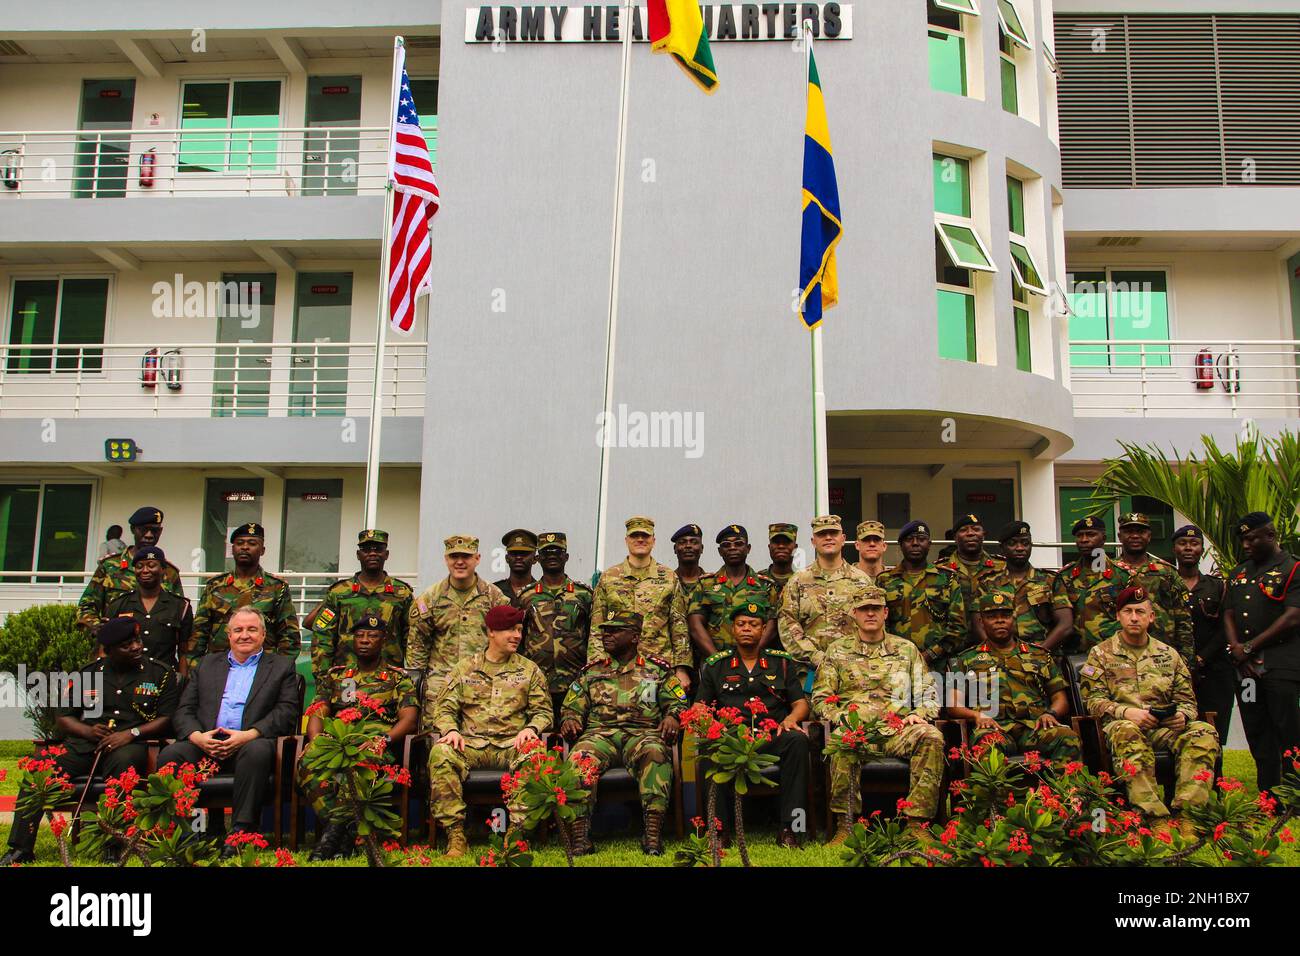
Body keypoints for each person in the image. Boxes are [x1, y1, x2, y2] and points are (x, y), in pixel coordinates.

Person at [1, 618, 178, 865]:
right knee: (38, 768)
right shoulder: (89, 674)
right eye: (127, 645)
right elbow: (64, 718)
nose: (137, 647)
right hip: (87, 744)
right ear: (110, 650)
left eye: (137, 640)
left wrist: (132, 734)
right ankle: (20, 848)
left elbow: (167, 718)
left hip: (130, 744)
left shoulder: (160, 674)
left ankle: (112, 845)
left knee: (123, 765)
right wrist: (87, 731)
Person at [159, 606, 301, 857]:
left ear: (263, 634)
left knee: (257, 751)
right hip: (206, 743)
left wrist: (249, 734)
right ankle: (187, 835)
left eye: (251, 629)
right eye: (238, 630)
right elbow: (184, 711)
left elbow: (286, 712)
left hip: (250, 743)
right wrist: (198, 737)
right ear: (228, 635)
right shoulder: (206, 665)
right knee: (172, 754)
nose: (244, 635)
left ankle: (239, 833)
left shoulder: (281, 666)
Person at [1078, 586, 1219, 835]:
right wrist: (1125, 712)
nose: (1134, 617)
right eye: (1128, 611)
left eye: (1140, 612)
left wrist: (1183, 715)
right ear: (1119, 617)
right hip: (1122, 727)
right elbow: (1093, 700)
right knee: (1127, 731)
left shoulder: (1169, 655)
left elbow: (1188, 700)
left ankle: (1189, 814)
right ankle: (1153, 816)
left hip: (1164, 728)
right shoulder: (1100, 654)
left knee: (1203, 732)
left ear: (1151, 617)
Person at [812, 584, 944, 844]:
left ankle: (917, 823)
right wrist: (841, 719)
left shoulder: (906, 650)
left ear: (885, 613)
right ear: (854, 614)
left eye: (875, 609)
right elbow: (820, 698)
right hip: (857, 731)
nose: (869, 614)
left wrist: (919, 714)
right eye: (864, 609)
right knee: (841, 742)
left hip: (899, 731)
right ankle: (846, 825)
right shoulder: (837, 651)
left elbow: (928, 693)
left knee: (931, 737)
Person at [426, 604, 551, 858]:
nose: (517, 635)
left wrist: (531, 728)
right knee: (440, 753)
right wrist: (450, 730)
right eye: (509, 630)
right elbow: (443, 708)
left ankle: (516, 833)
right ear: (491, 632)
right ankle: (455, 834)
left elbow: (544, 712)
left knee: (536, 752)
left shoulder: (529, 670)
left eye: (519, 630)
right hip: (470, 745)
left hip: (511, 745)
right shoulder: (465, 668)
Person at [560, 611, 685, 856]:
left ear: (635, 637)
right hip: (600, 736)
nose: (607, 635)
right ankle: (579, 837)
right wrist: (570, 719)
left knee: (655, 753)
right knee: (579, 759)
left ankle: (652, 834)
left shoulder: (657, 671)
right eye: (605, 630)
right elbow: (571, 706)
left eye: (615, 631)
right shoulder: (592, 672)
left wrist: (673, 716)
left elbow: (678, 703)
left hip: (643, 735)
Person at [300, 614, 419, 861]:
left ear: (383, 641)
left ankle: (331, 839)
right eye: (360, 636)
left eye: (372, 636)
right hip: (338, 742)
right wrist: (315, 740)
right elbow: (318, 710)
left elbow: (408, 719)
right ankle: (344, 831)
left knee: (355, 764)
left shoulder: (398, 678)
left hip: (376, 745)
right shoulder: (337, 676)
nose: (365, 641)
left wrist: (382, 740)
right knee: (307, 760)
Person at [696, 601, 810, 848]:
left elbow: (801, 703)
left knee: (798, 741)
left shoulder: (781, 663)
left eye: (753, 624)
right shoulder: (716, 665)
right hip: (731, 740)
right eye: (741, 624)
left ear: (763, 629)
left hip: (771, 737)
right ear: (733, 629)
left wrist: (791, 719)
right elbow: (699, 708)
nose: (747, 628)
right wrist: (712, 727)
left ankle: (793, 829)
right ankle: (718, 831)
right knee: (707, 749)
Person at [947, 589, 1081, 761]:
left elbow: (1060, 699)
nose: (1000, 620)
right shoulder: (963, 660)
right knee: (987, 746)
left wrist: (1051, 713)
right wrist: (976, 715)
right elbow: (953, 705)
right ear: (981, 621)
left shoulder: (1040, 655)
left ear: (1014, 618)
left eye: (1005, 615)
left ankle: (1064, 788)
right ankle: (998, 789)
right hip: (993, 726)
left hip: (1036, 727)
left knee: (1067, 737)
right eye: (992, 616)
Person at [1223, 511, 1300, 793]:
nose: (1246, 545)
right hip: (1245, 671)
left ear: (1270, 535)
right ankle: (1268, 793)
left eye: (1252, 538)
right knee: (1256, 727)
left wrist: (1250, 647)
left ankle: (1293, 794)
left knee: (1287, 730)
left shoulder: (1293, 568)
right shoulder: (1239, 572)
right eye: (1243, 539)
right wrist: (1237, 652)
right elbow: (1229, 614)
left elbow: (1292, 617)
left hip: (1280, 665)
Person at [407, 534, 510, 729]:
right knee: (436, 742)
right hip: (440, 685)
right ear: (446, 559)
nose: (460, 562)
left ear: (477, 559)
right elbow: (417, 647)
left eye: (466, 556)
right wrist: (416, 689)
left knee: (479, 743)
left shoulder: (494, 598)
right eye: (454, 557)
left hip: (483, 683)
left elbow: (505, 644)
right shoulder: (429, 599)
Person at [589, 516, 692, 692]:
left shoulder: (668, 577)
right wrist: (595, 665)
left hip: (658, 667)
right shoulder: (609, 577)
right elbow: (597, 626)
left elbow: (679, 625)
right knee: (615, 716)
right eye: (634, 535)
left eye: (645, 536)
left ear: (654, 541)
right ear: (626, 540)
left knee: (651, 716)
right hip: (615, 668)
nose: (640, 540)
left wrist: (681, 668)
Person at [187, 523, 300, 669]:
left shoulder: (277, 587)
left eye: (252, 543)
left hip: (262, 669)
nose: (245, 547)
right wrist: (197, 668)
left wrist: (278, 670)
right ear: (232, 549)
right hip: (219, 666)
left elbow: (289, 635)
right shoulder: (215, 586)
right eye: (239, 543)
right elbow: (199, 632)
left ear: (262, 550)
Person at [310, 529, 414, 685]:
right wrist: (323, 676)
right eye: (366, 550)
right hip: (346, 676)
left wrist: (412, 674)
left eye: (378, 549)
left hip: (389, 678)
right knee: (347, 710)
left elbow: (412, 637)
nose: (372, 554)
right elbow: (323, 636)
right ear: (358, 555)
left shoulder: (402, 593)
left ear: (386, 554)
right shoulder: (339, 592)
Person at [517, 531, 594, 724]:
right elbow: (519, 638)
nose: (552, 556)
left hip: (575, 682)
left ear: (566, 557)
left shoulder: (583, 594)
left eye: (557, 552)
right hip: (537, 683)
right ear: (537, 558)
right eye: (546, 552)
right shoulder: (525, 596)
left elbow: (593, 637)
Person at [778, 515, 871, 674]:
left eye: (833, 533)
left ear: (843, 539)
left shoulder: (862, 581)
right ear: (813, 541)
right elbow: (787, 625)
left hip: (854, 671)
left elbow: (872, 625)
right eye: (821, 534)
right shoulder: (798, 581)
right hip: (809, 672)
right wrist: (816, 657)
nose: (828, 537)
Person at [77, 505, 184, 635]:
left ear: (160, 532)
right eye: (144, 530)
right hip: (118, 647)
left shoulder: (169, 572)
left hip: (156, 649)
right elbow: (86, 606)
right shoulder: (110, 566)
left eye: (154, 531)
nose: (149, 535)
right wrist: (97, 627)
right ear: (133, 530)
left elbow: (180, 614)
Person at [877, 520, 967, 669]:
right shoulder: (885, 580)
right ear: (900, 545)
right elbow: (880, 624)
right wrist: (898, 654)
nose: (915, 543)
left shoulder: (946, 578)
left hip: (938, 664)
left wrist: (930, 654)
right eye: (909, 539)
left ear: (929, 544)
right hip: (895, 664)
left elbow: (958, 627)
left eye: (921, 539)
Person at [1172, 525, 1233, 743]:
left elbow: (1225, 628)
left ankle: (1217, 777)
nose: (1188, 548)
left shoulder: (1217, 586)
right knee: (1178, 729)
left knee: (1214, 729)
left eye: (1194, 543)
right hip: (1174, 670)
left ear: (1201, 548)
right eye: (1182, 543)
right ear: (1174, 549)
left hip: (1214, 669)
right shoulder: (1166, 583)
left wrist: (1201, 658)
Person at [687, 524, 779, 663]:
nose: (732, 548)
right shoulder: (705, 584)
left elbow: (772, 626)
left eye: (738, 543)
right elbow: (695, 625)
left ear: (748, 549)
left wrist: (750, 656)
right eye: (726, 545)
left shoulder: (766, 586)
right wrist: (717, 660)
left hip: (756, 664)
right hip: (714, 664)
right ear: (720, 551)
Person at [1115, 512, 1195, 667]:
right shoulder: (1110, 573)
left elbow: (1183, 620)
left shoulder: (1167, 572)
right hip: (1120, 659)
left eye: (1140, 532)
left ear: (1149, 536)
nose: (1135, 536)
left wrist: (1186, 662)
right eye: (1129, 531)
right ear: (1120, 536)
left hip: (1162, 658)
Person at [103, 545, 193, 672]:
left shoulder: (180, 606)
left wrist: (183, 683)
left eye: (151, 565)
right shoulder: (119, 604)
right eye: (139, 566)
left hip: (164, 679)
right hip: (127, 676)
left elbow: (184, 652)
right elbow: (106, 648)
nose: (145, 570)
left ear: (163, 569)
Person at [1049, 516, 1131, 656]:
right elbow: (1063, 622)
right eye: (1080, 535)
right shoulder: (1064, 577)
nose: (1084, 540)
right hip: (1075, 656)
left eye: (1091, 534)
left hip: (1114, 655)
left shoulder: (1123, 576)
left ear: (1103, 538)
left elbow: (1134, 618)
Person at [989, 520, 1074, 647]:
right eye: (1012, 543)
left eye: (1025, 543)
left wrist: (1039, 653)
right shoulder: (988, 582)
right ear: (1002, 547)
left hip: (1042, 655)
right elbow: (978, 624)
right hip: (1000, 657)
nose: (1020, 548)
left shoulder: (1050, 580)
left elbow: (1065, 624)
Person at [940, 513, 1006, 648]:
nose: (970, 533)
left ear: (984, 534)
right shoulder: (941, 570)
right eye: (963, 530)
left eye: (976, 529)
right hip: (952, 646)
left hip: (993, 645)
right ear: (955, 537)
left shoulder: (1002, 567)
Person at [493, 529, 538, 602]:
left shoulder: (543, 592)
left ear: (535, 559)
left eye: (524, 553)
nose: (518, 557)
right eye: (514, 553)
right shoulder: (494, 591)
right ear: (507, 558)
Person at [670, 523, 708, 607]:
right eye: (682, 542)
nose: (688, 546)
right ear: (675, 549)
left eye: (694, 542)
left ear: (702, 548)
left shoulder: (712, 584)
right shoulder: (667, 583)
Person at [763, 523, 799, 600]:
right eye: (776, 542)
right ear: (769, 547)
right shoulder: (757, 582)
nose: (781, 546)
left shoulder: (804, 581)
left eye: (786, 542)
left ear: (795, 548)